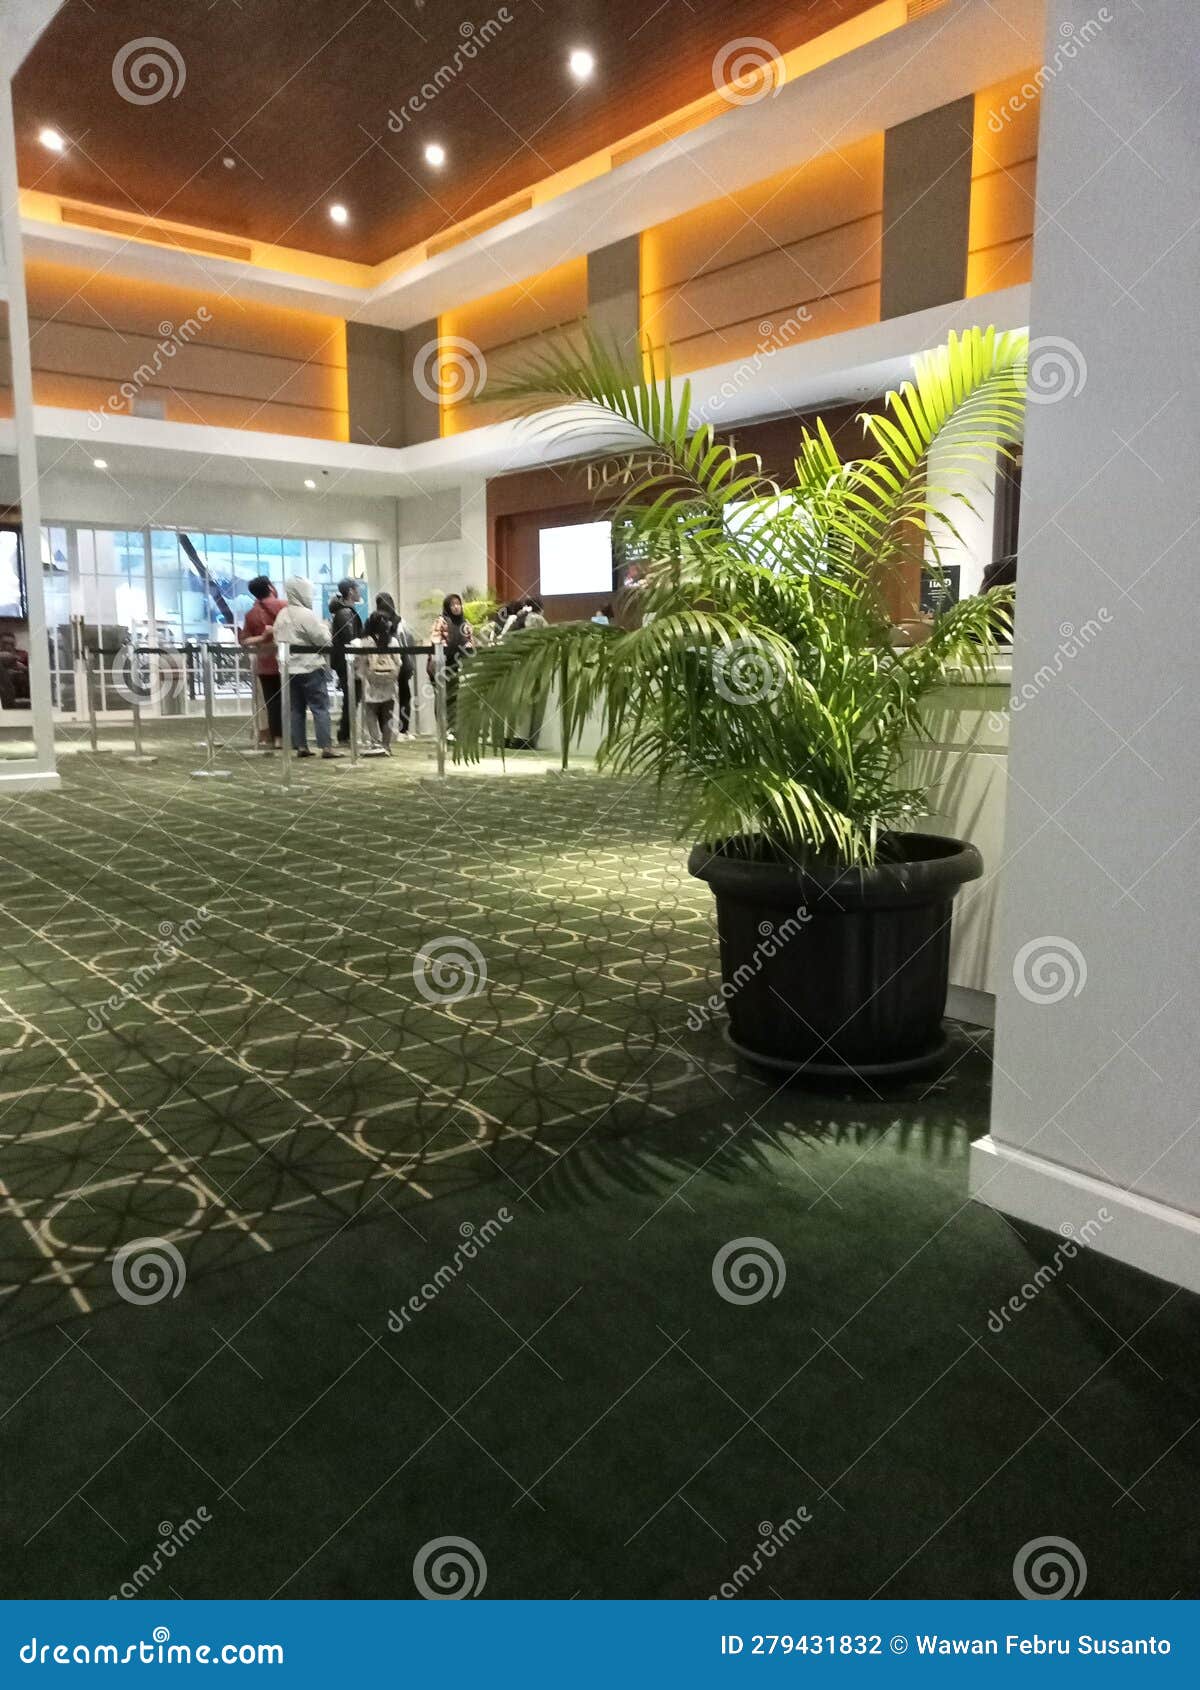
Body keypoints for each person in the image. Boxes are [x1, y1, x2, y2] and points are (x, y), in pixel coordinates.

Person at [272, 576, 340, 759]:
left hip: (288, 670)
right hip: (310, 668)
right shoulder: (306, 614)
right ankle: (326, 746)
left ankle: (301, 745)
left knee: (296, 709)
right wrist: (326, 627)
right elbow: (323, 640)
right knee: (320, 707)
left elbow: (276, 639)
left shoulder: (282, 615)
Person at [238, 576, 286, 746]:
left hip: (264, 664)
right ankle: (294, 737)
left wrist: (262, 637)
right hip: (287, 662)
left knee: (271, 703)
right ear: (270, 587)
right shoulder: (284, 606)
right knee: (291, 701)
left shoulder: (251, 614)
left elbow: (243, 641)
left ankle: (278, 738)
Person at [350, 612, 403, 754]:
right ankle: (386, 746)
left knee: (371, 714)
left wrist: (361, 675)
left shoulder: (363, 641)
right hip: (389, 683)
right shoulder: (392, 641)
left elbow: (358, 662)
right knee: (388, 715)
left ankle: (376, 744)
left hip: (370, 683)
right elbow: (398, 662)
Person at [429, 593, 474, 740]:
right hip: (441, 665)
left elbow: (469, 641)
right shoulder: (441, 621)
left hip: (457, 665)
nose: (456, 606)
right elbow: (435, 640)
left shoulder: (465, 623)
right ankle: (443, 729)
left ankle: (454, 729)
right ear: (447, 607)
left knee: (454, 697)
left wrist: (468, 646)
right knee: (441, 697)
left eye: (458, 603)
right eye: (452, 604)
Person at [375, 592, 416, 738]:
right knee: (405, 696)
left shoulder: (375, 620)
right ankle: (403, 731)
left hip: (382, 664)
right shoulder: (400, 621)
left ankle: (383, 732)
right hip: (401, 662)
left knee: (384, 699)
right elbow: (409, 642)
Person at [328, 578, 364, 744]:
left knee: (352, 698)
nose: (360, 591)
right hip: (348, 663)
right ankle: (344, 734)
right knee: (352, 697)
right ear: (351, 591)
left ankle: (345, 733)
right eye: (358, 588)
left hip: (346, 662)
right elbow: (350, 639)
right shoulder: (345, 613)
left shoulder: (345, 612)